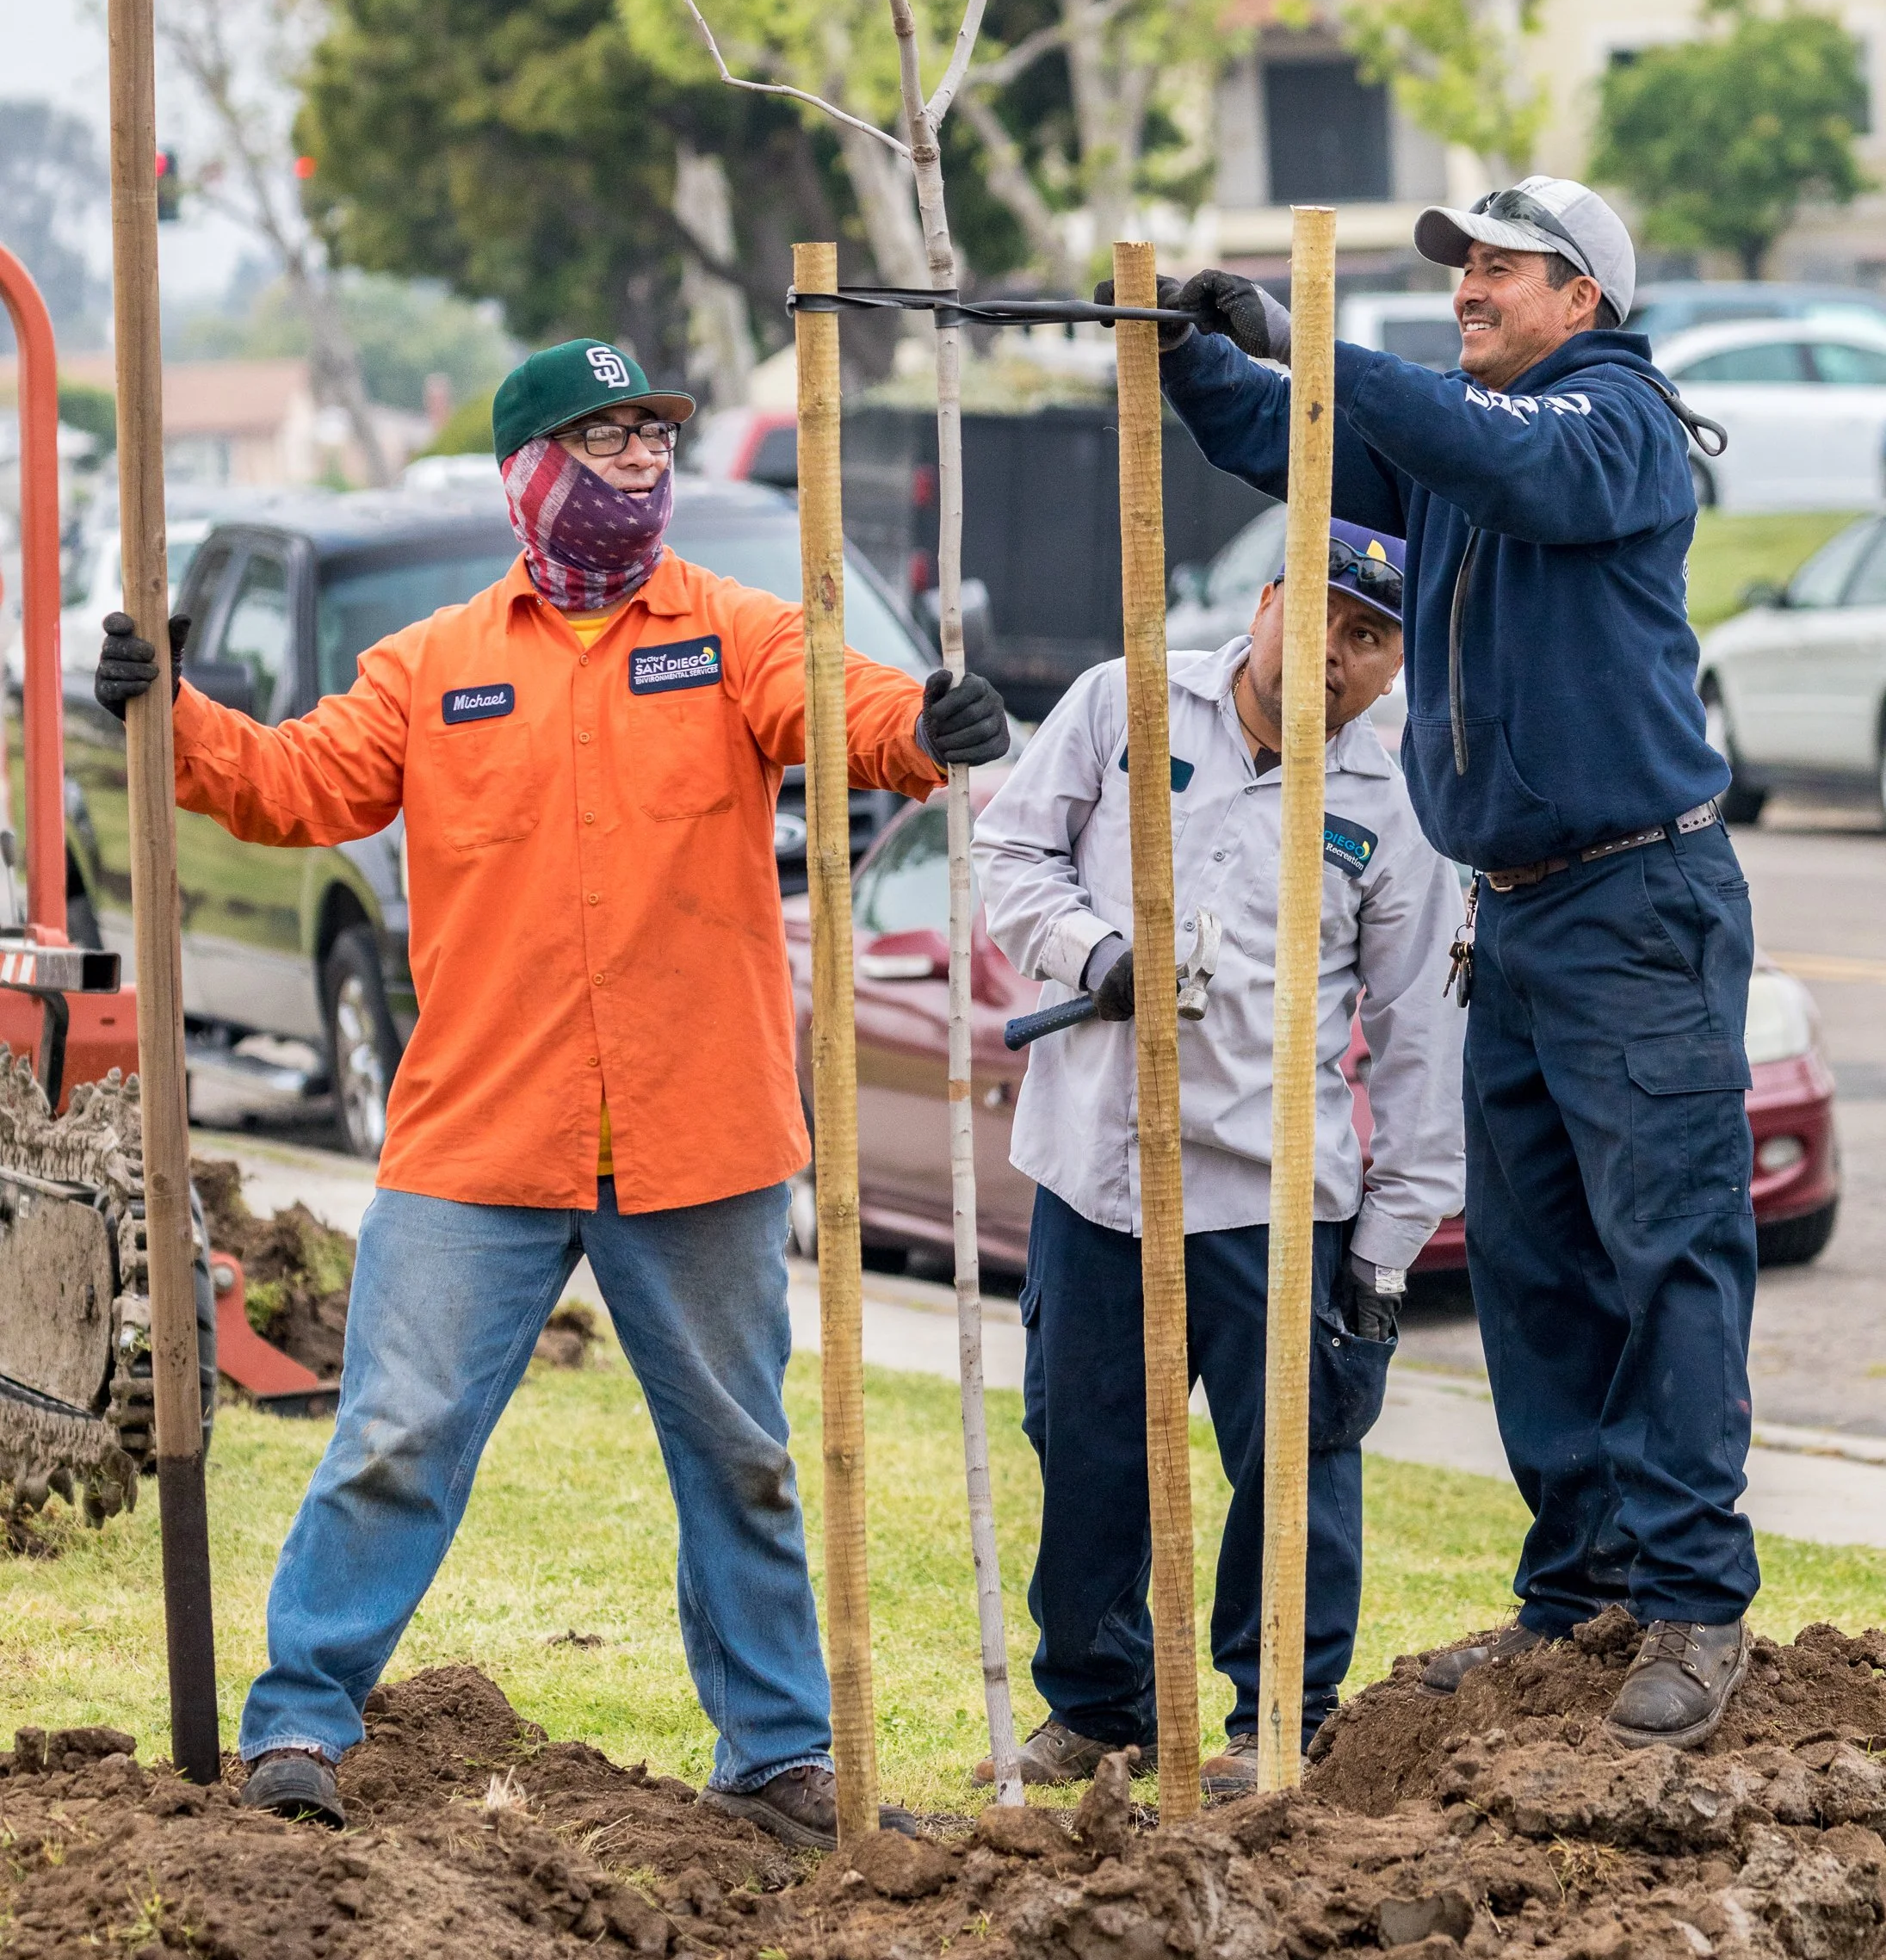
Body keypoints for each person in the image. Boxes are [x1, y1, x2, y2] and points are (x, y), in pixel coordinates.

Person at [96, 336, 1011, 1844]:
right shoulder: (432, 664)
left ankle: (776, 1757)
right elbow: (292, 782)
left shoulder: (731, 632)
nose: (642, 460)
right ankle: (300, 1727)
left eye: (656, 435)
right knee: (393, 1441)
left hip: (700, 1139)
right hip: (478, 1138)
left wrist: (924, 728)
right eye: (608, 437)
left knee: (741, 1462)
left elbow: (844, 708)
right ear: (531, 469)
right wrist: (172, 713)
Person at [1145, 178, 1759, 1751]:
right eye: (1462, 268)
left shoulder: (1613, 426)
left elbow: (1500, 457)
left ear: (1583, 299)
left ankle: (1692, 1599)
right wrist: (1193, 357)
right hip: (1524, 913)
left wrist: (1311, 339)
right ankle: (1577, 1599)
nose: (1468, 289)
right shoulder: (1468, 440)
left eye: (1500, 268)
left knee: (1667, 1257)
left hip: (1640, 906)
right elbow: (1295, 444)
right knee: (1534, 1272)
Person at [971, 522, 1463, 1791]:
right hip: (1099, 1172)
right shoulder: (1123, 704)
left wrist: (1388, 1248)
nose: (1335, 655)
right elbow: (1008, 855)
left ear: (1396, 663)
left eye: (1370, 639)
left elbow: (1419, 1036)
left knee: (1291, 1465)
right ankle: (1098, 1712)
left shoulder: (1395, 800)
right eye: (1319, 618)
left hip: (1273, 1195)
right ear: (1264, 603)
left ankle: (1277, 1723)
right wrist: (1091, 953)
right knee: (1084, 1450)